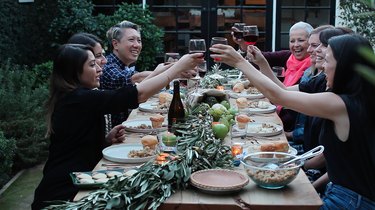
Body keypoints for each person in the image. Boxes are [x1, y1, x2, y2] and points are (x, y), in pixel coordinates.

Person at [210, 33, 375, 209]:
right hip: (346, 194)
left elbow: (279, 96)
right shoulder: (359, 100)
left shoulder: (341, 105)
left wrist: (240, 63)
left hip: (349, 201)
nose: (323, 67)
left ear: (344, 66)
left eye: (327, 60)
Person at [31, 44, 203, 209]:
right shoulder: (78, 99)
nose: (100, 69)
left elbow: (74, 142)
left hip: (79, 180)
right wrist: (178, 68)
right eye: (92, 65)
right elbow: (136, 94)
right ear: (74, 72)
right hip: (64, 193)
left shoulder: (77, 97)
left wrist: (105, 141)